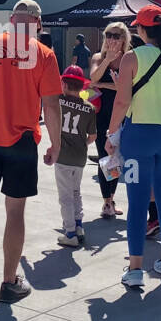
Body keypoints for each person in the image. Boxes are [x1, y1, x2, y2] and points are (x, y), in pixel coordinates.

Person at [0, 0, 62, 304]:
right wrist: (55, 143)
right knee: (15, 210)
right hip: (21, 140)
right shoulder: (44, 55)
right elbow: (50, 105)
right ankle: (9, 282)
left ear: (11, 19)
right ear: (38, 23)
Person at [105, 5, 161, 285]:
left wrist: (111, 134)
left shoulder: (132, 57)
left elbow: (122, 101)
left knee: (138, 202)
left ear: (143, 29)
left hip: (137, 139)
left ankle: (134, 270)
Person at [51, 65, 98, 247]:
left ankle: (69, 232)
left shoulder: (58, 101)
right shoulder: (90, 108)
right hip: (80, 157)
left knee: (65, 197)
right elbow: (92, 136)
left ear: (63, 84)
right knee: (76, 191)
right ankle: (79, 225)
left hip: (62, 156)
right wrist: (82, 144)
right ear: (82, 87)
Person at [89, 22, 131, 219]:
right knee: (105, 158)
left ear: (124, 39)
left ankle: (112, 199)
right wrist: (108, 61)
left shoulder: (130, 59)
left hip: (125, 115)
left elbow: (128, 89)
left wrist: (106, 85)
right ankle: (107, 202)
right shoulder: (99, 57)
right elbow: (92, 79)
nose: (112, 39)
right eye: (109, 35)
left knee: (119, 160)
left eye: (116, 35)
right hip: (102, 116)